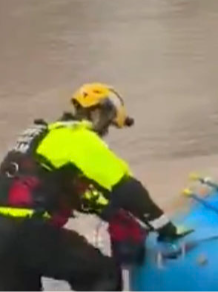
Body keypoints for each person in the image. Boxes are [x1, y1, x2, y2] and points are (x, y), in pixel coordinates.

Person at [0, 83, 190, 290]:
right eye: (107, 124)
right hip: (29, 232)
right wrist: (166, 227)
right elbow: (127, 188)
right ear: (98, 112)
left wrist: (111, 211)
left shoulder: (44, 136)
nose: (104, 132)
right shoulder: (77, 137)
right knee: (102, 273)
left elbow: (76, 193)